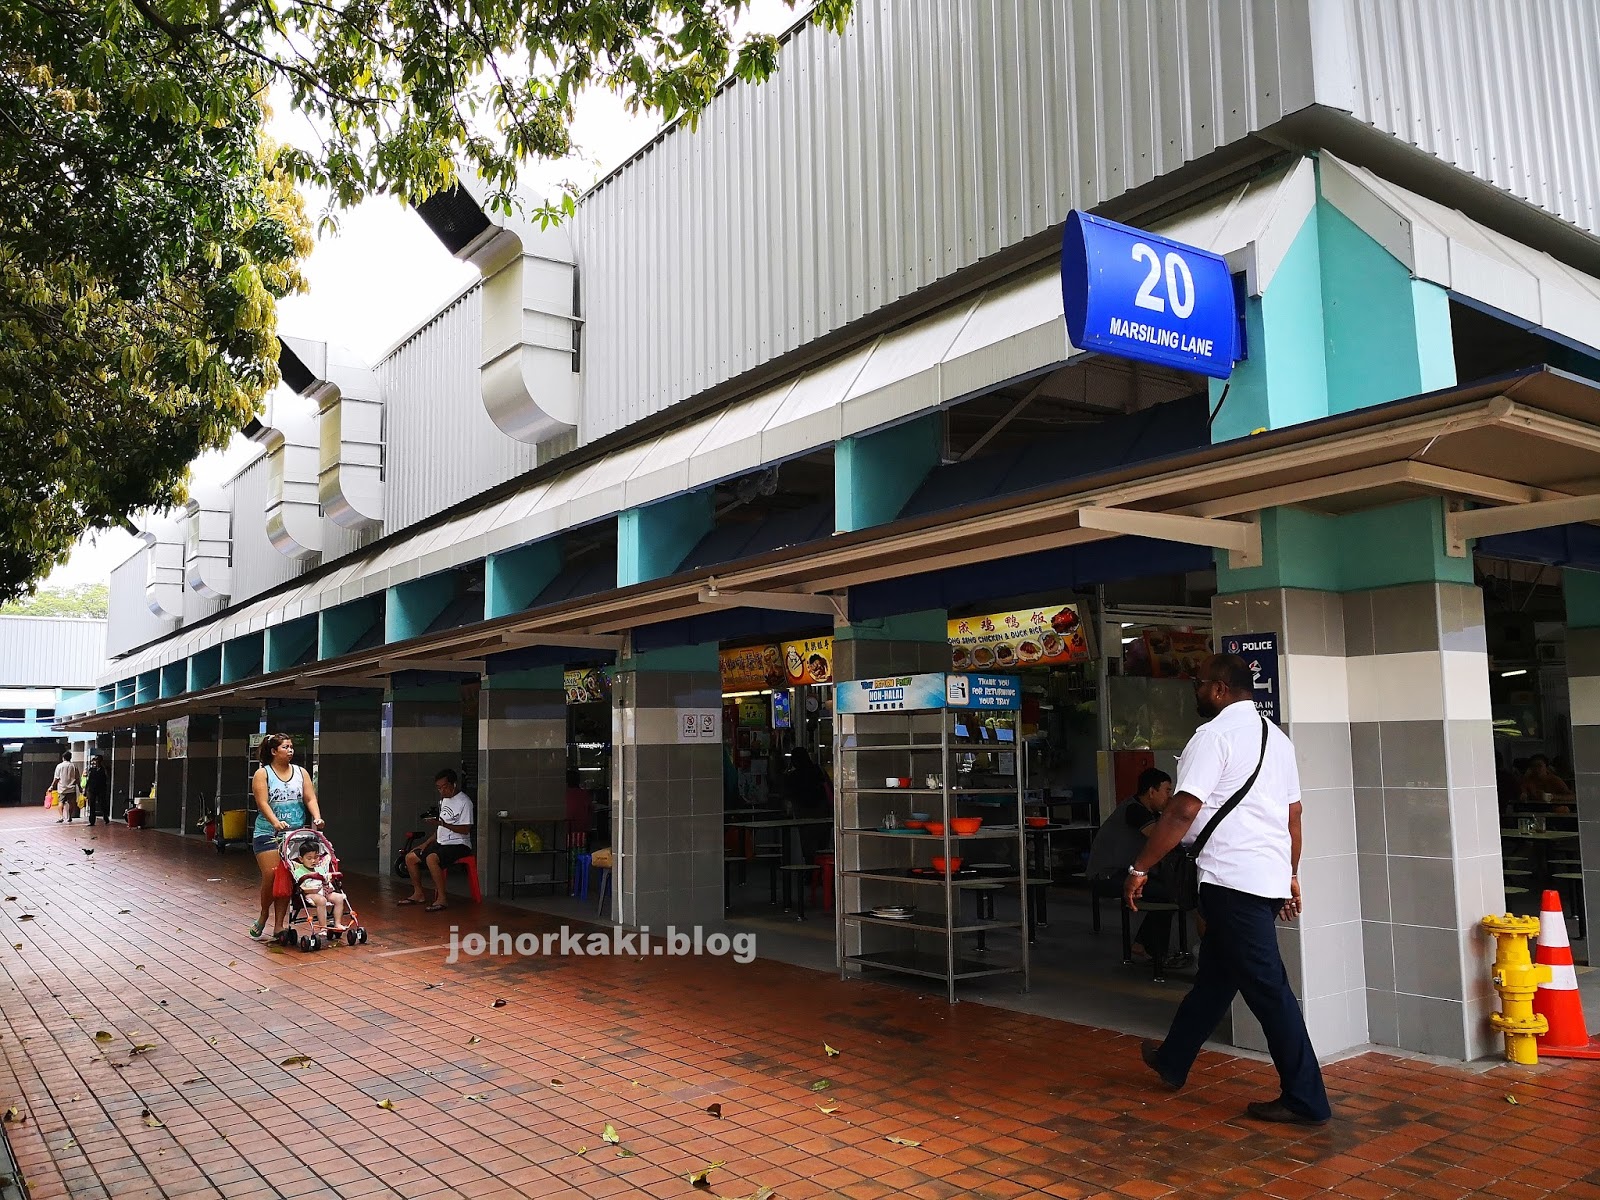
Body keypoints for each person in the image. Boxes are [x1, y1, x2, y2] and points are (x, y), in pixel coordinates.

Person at [1127, 654, 1331, 1126]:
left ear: (1219, 689)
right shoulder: (1277, 739)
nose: (1195, 692)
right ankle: (1173, 1059)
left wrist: (1140, 867)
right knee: (1218, 977)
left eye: (1198, 684)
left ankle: (1306, 1099)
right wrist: (1290, 875)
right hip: (1263, 879)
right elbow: (1293, 816)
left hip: (1232, 882)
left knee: (1270, 991)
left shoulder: (1213, 736)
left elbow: (1182, 811)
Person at [1086, 768, 1182, 964]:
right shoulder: (1134, 810)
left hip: (1124, 872)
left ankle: (1143, 944)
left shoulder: (1149, 812)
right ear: (1152, 791)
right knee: (1167, 894)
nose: (1169, 797)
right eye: (1167, 791)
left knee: (1169, 891)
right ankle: (1154, 953)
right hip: (1107, 875)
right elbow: (1159, 838)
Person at [249, 733, 324, 941]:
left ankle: (279, 925)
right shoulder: (263, 774)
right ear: (274, 751)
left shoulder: (301, 772)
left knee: (286, 877)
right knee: (272, 874)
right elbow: (262, 802)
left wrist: (317, 817)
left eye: (291, 747)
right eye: (285, 747)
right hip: (268, 833)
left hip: (295, 835)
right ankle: (264, 913)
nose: (290, 750)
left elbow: (310, 797)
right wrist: (275, 822)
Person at [400, 769, 474, 912]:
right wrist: (426, 843)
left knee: (431, 859)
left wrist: (442, 824)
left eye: (444, 787)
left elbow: (465, 829)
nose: (442, 791)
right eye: (439, 788)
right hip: (441, 843)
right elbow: (440, 829)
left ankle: (442, 898)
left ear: (454, 784)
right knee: (410, 857)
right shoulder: (444, 800)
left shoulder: (465, 802)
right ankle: (418, 894)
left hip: (459, 844)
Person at [289, 837, 349, 935]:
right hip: (309, 894)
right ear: (301, 859)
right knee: (321, 900)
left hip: (324, 892)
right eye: (309, 858)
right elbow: (301, 887)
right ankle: (323, 928)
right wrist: (314, 889)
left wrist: (328, 883)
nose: (313, 861)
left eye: (316, 857)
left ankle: (337, 923)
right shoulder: (299, 871)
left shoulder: (320, 869)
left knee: (339, 897)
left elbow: (326, 880)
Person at [51, 751, 81, 823]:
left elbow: (56, 778)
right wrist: (79, 787)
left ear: (63, 758)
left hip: (62, 788)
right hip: (71, 788)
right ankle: (70, 817)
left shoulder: (59, 766)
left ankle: (61, 817)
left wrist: (52, 786)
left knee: (61, 802)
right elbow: (77, 778)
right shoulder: (74, 766)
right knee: (71, 803)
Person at [83, 753, 110, 826]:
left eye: (98, 759)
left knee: (102, 804)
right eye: (95, 760)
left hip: (101, 789)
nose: (96, 761)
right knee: (92, 805)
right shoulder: (92, 769)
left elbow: (107, 778)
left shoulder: (104, 769)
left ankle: (105, 817)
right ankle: (92, 821)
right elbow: (89, 780)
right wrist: (86, 789)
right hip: (92, 789)